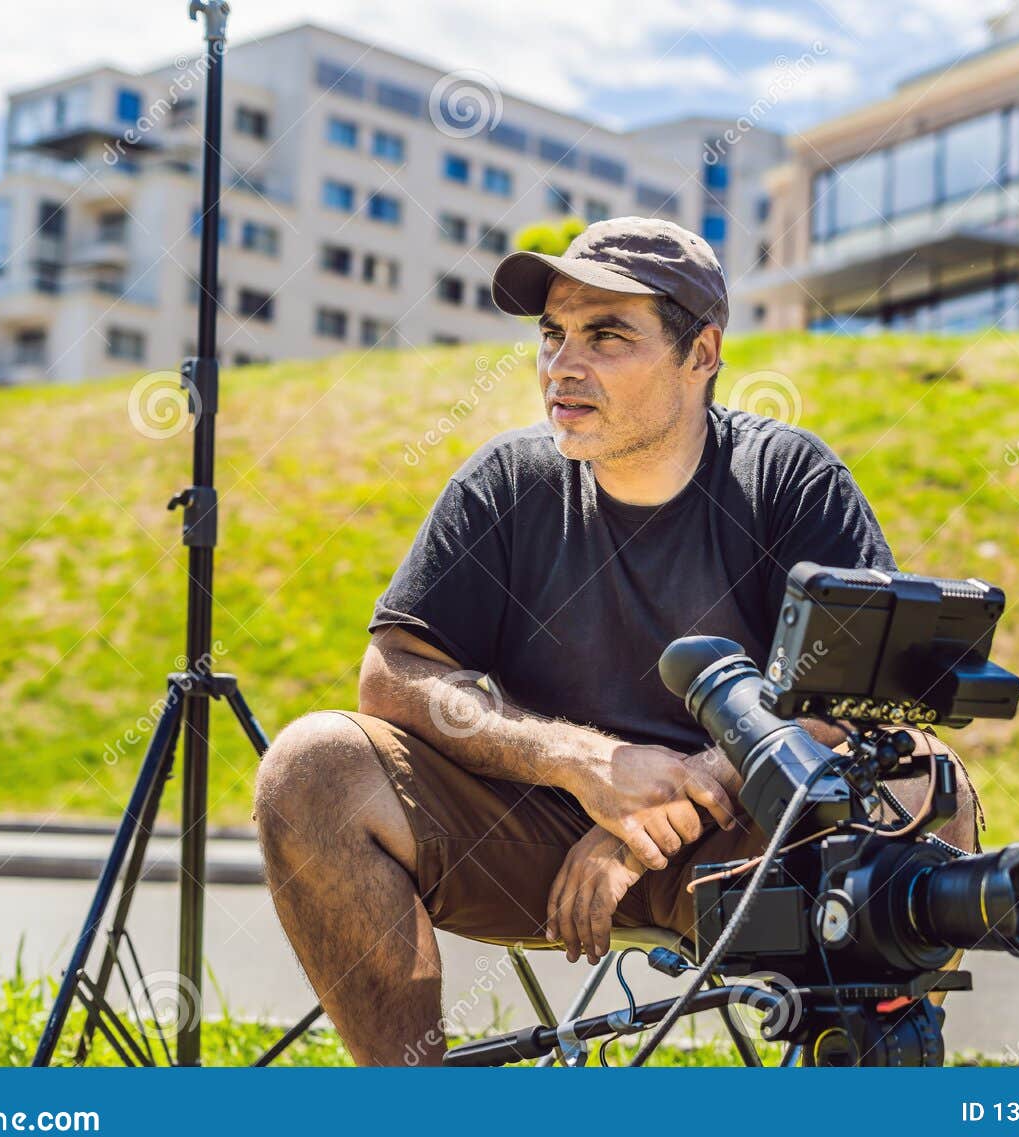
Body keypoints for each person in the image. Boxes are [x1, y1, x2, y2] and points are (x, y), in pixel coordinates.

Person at [253, 217, 982, 1065]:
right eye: (553, 335)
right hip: (532, 837)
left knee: (923, 780)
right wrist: (583, 765)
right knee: (314, 765)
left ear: (701, 353)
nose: (564, 364)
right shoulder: (506, 483)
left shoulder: (790, 480)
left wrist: (648, 819)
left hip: (746, 842)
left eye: (607, 335)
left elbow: (852, 702)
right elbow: (395, 676)